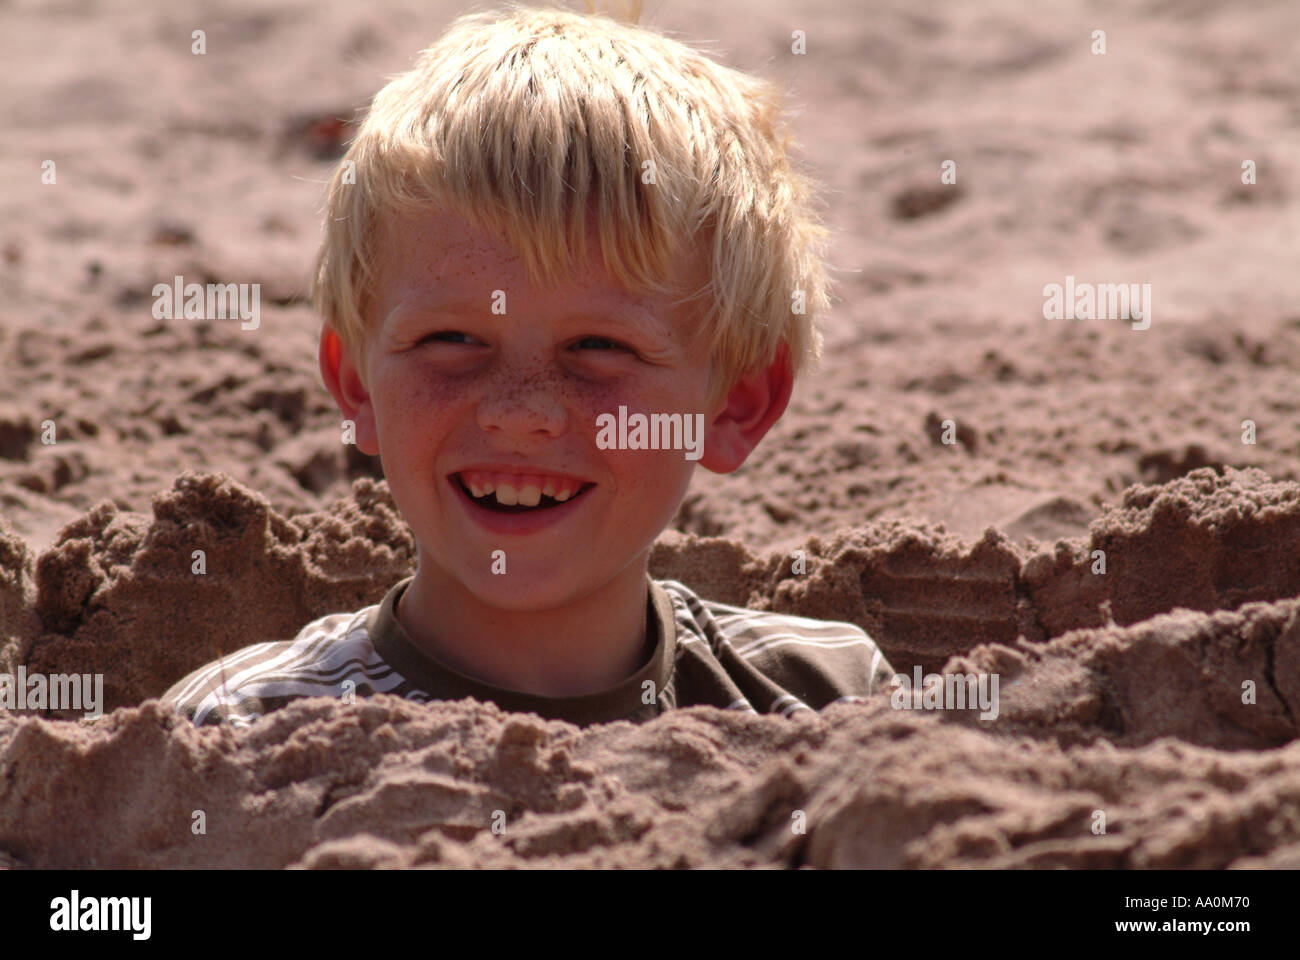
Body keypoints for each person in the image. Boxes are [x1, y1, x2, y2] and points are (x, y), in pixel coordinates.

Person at [163, 3, 893, 728]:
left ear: (736, 404)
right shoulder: (239, 730)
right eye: (451, 341)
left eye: (599, 348)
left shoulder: (826, 700)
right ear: (356, 382)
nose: (520, 412)